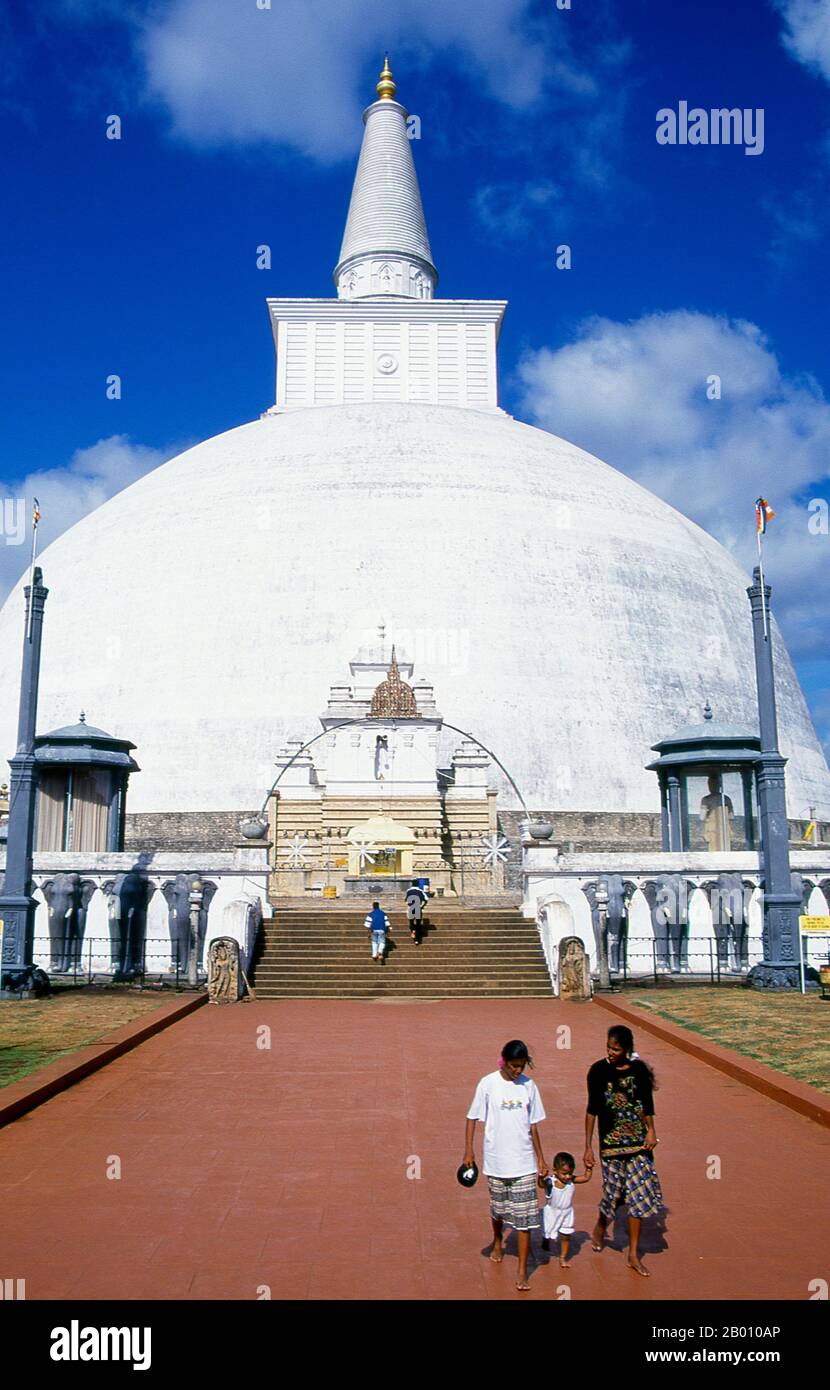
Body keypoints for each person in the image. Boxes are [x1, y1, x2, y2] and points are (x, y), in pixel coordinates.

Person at [463, 1039, 548, 1292]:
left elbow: (533, 1126)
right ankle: (498, 1239)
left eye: (521, 1066)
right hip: (496, 1161)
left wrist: (541, 1159)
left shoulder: (529, 1087)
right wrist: (469, 1151)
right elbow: (471, 1118)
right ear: (504, 1061)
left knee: (524, 1220)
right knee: (499, 1210)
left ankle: (522, 1270)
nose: (518, 1071)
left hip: (524, 1163)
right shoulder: (488, 1084)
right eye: (514, 1066)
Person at [584, 1024, 662, 1277]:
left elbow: (646, 1106)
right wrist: (587, 1146)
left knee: (638, 1198)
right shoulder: (597, 1071)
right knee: (613, 1194)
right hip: (611, 1145)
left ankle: (633, 1254)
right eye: (608, 1046)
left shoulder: (639, 1072)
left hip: (639, 1144)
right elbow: (592, 1109)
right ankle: (600, 1224)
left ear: (627, 1049)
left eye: (616, 1049)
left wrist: (651, 1131)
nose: (610, 1052)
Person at [539, 1150, 592, 1267]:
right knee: (547, 1232)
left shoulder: (570, 1180)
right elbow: (541, 1185)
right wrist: (541, 1177)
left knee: (566, 1235)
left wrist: (589, 1168)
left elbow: (585, 1178)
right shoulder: (550, 1182)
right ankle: (545, 1240)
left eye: (570, 1173)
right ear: (555, 1170)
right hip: (552, 1213)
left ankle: (563, 1257)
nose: (567, 1176)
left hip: (567, 1212)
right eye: (564, 1173)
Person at [364, 901, 390, 965]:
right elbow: (387, 923)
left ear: (373, 907)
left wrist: (368, 933)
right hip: (382, 929)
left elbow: (368, 924)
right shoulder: (383, 913)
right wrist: (388, 931)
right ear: (379, 906)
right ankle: (380, 952)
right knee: (382, 942)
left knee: (374, 942)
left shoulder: (370, 914)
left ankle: (374, 955)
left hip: (373, 929)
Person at [404, 879, 428, 945]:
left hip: (411, 907)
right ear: (418, 884)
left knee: (411, 922)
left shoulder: (408, 891)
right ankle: (417, 940)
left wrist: (408, 904)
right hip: (417, 907)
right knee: (418, 922)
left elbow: (406, 900)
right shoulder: (420, 891)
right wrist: (422, 906)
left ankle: (413, 931)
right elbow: (426, 899)